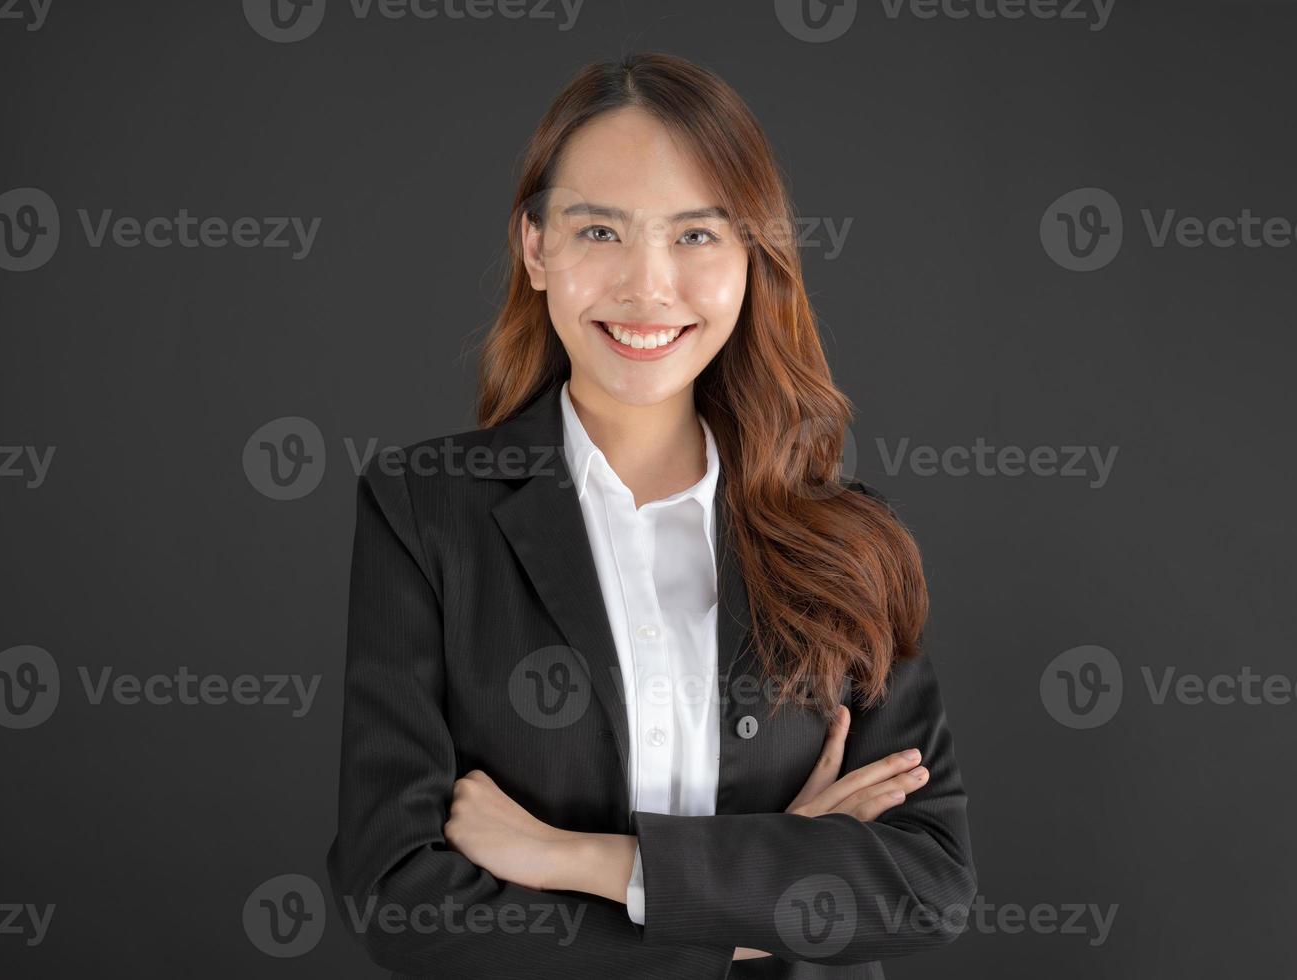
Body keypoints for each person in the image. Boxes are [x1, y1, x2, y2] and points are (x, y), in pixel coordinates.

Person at [327, 52, 976, 979]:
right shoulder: (424, 511)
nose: (647, 286)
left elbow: (926, 882)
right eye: (600, 231)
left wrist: (583, 860)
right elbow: (396, 896)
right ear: (536, 247)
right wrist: (763, 886)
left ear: (753, 257)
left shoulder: (848, 538)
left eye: (697, 236)